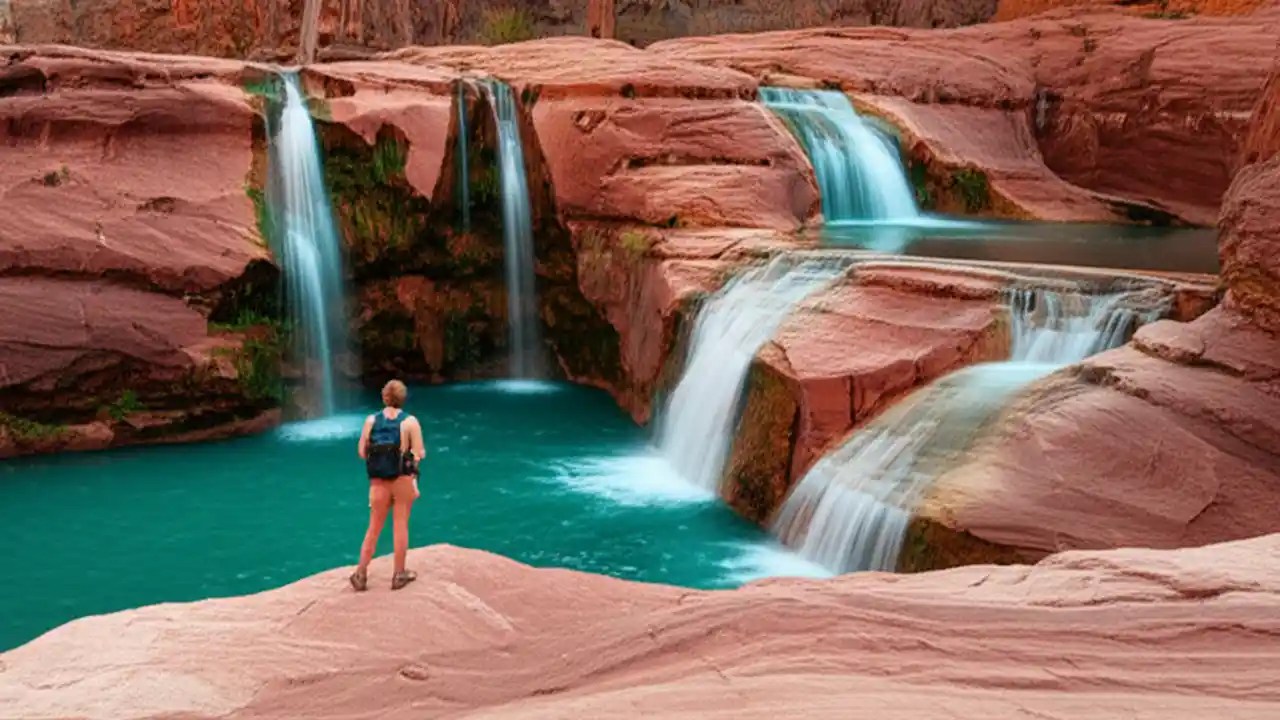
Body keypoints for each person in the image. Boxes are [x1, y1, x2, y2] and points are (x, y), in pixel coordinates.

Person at [351, 379, 424, 591]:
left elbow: (362, 452)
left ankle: (360, 573)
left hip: (377, 481)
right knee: (400, 526)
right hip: (401, 480)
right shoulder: (410, 422)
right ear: (403, 398)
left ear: (384, 397)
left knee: (373, 528)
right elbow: (419, 453)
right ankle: (399, 574)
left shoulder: (371, 421)